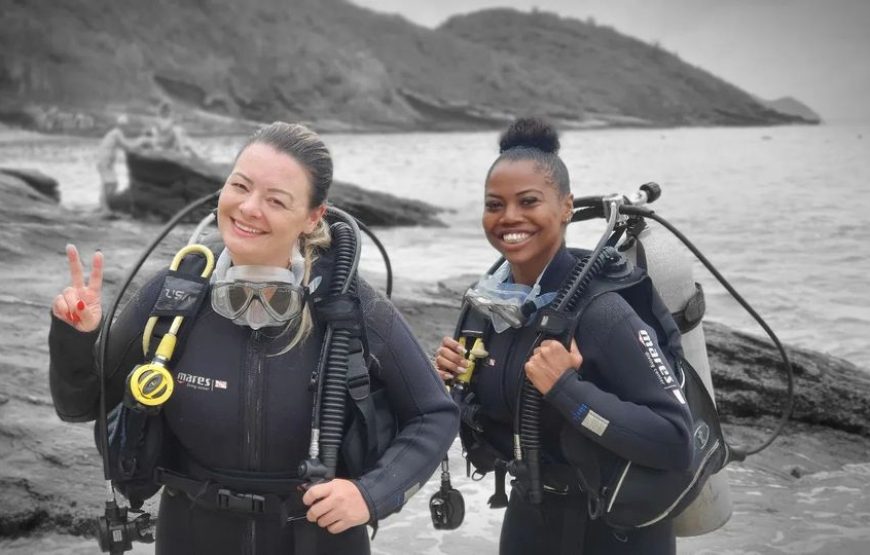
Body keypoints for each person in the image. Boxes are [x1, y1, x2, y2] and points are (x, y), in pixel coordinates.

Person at [49, 121, 459, 554]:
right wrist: (77, 336)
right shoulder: (173, 297)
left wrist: (370, 495)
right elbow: (79, 404)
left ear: (313, 215)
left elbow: (434, 414)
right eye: (240, 186)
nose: (248, 208)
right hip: (191, 535)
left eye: (276, 200)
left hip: (317, 538)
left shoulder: (348, 306)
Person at [434, 118, 693, 554]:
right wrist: (454, 382)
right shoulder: (488, 308)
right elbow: (491, 423)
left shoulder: (603, 311)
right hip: (531, 515)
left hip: (615, 529)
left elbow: (675, 442)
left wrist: (567, 389)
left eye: (528, 201)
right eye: (494, 204)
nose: (509, 217)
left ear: (566, 207)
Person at [96, 114, 145, 213]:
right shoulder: (117, 133)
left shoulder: (114, 133)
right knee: (111, 184)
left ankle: (104, 206)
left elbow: (125, 146)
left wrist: (137, 146)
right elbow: (127, 146)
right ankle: (105, 207)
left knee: (108, 184)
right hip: (106, 162)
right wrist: (141, 141)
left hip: (104, 161)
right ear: (122, 125)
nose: (125, 128)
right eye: (125, 125)